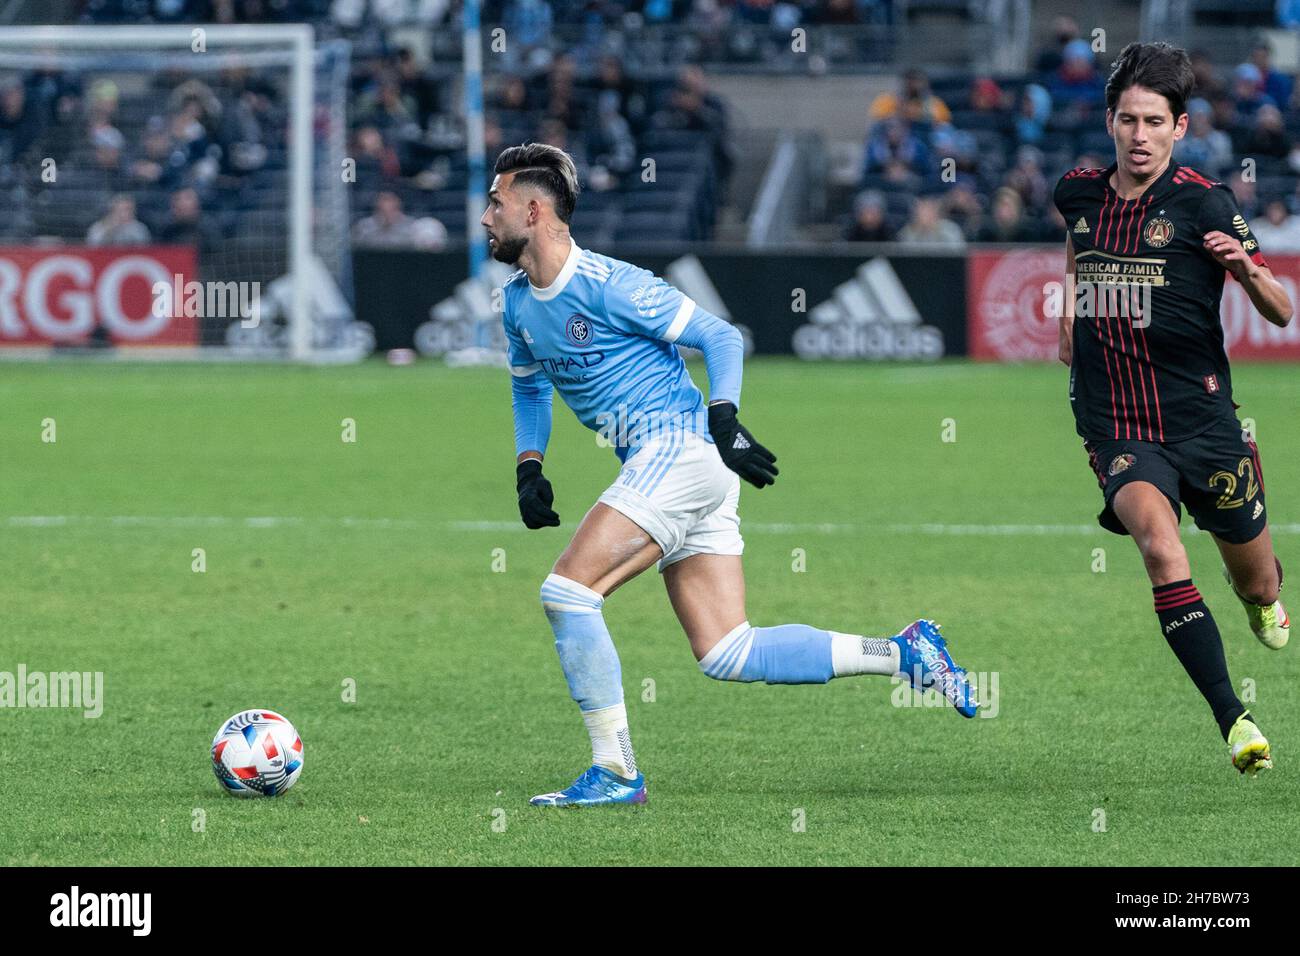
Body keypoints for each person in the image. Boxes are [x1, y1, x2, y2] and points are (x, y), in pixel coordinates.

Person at [482, 143, 978, 807]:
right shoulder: (517, 303)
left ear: (534, 211)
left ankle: (617, 772)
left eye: (496, 202)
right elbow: (528, 389)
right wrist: (529, 468)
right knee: (727, 650)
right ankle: (904, 652)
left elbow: (721, 337)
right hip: (671, 466)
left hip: (681, 452)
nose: (484, 216)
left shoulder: (611, 284)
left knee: (568, 593)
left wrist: (726, 419)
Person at [1054, 42, 1293, 776]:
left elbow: (1281, 311)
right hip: (1116, 425)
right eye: (1128, 119)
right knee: (1161, 549)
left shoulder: (1205, 201)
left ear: (1179, 127)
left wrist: (1245, 271)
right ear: (1110, 121)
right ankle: (1235, 721)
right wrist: (1071, 312)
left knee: (1257, 584)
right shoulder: (1078, 193)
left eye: (1155, 121)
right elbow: (1075, 251)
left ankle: (1261, 595)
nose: (1139, 135)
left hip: (1203, 422)